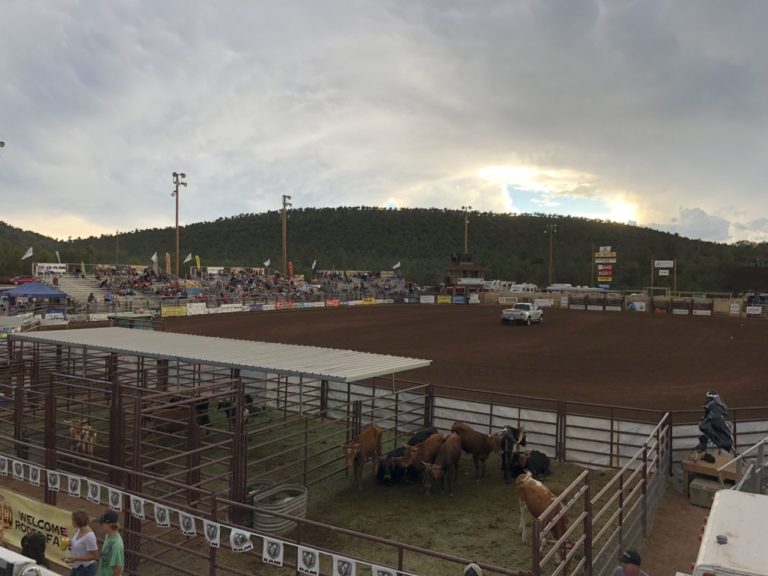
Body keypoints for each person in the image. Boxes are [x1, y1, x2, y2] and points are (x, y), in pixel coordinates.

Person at [64, 509, 99, 575]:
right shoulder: (79, 530)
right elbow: (79, 545)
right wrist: (69, 542)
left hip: (86, 568)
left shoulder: (90, 537)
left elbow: (95, 556)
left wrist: (76, 559)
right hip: (77, 566)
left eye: (73, 520)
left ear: (77, 522)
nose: (72, 522)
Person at [96, 510, 124, 576]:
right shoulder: (108, 536)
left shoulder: (116, 544)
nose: (100, 526)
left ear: (110, 525)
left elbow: (118, 568)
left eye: (102, 524)